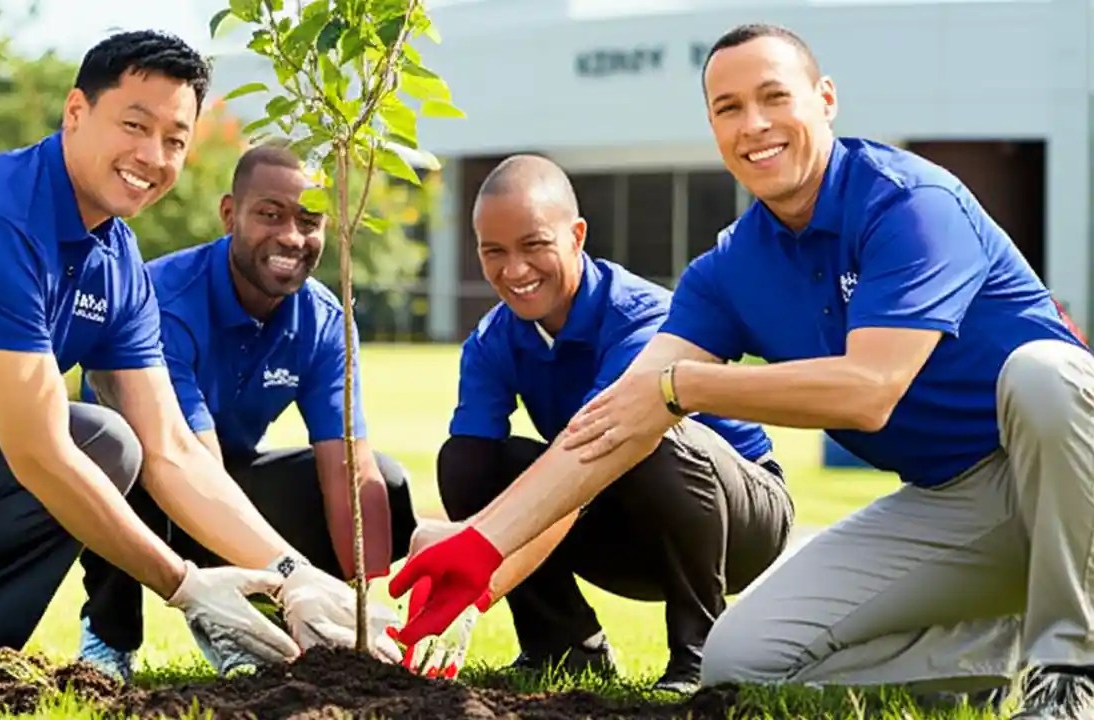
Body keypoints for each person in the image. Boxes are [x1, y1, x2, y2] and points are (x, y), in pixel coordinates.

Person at [389, 22, 1094, 720]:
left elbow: (870, 390)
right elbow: (618, 418)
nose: (753, 125)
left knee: (1044, 376)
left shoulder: (909, 203)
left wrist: (686, 387)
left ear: (824, 99)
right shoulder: (728, 271)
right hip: (959, 498)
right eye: (728, 109)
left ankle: (1071, 670)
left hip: (1069, 472)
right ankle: (988, 661)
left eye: (773, 97)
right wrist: (483, 545)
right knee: (741, 661)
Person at [0, 30, 395, 706]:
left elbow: (171, 448)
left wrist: (293, 575)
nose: (153, 157)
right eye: (134, 125)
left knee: (108, 441)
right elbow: (37, 455)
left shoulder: (116, 262)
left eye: (175, 141)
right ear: (75, 113)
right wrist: (182, 582)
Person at [412, 155, 793, 692]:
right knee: (466, 462)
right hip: (622, 516)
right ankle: (564, 647)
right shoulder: (492, 339)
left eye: (533, 245)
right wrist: (460, 546)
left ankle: (697, 656)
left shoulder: (642, 317)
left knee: (640, 428)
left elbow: (597, 455)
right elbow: (498, 473)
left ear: (576, 235)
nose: (513, 270)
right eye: (493, 251)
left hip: (741, 520)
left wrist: (481, 577)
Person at [75, 143, 420, 681]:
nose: (290, 236)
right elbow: (190, 462)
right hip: (156, 467)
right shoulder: (164, 299)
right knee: (116, 454)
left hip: (231, 469)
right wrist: (284, 577)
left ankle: (323, 633)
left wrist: (365, 604)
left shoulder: (325, 320)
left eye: (309, 220)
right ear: (230, 213)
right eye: (270, 214)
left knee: (387, 482)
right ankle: (110, 638)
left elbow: (346, 468)